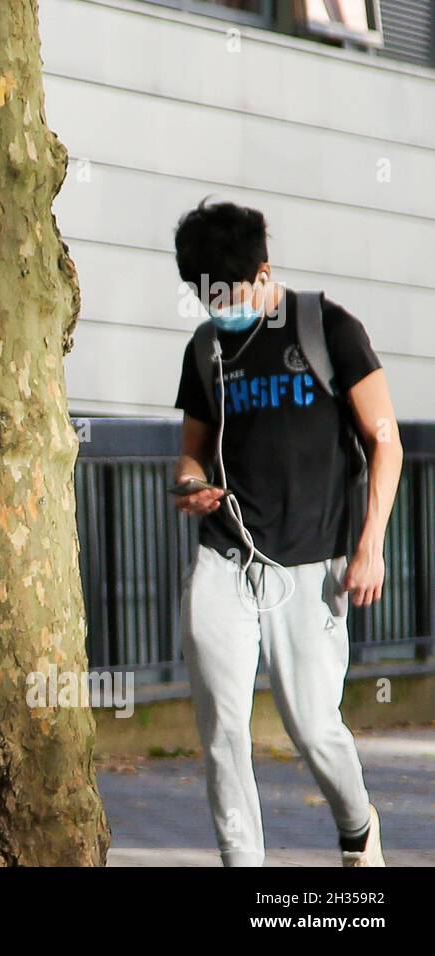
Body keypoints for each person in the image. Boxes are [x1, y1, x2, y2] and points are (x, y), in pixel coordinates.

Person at [170, 199, 402, 867]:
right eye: (203, 295)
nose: (218, 306)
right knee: (223, 730)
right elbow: (191, 451)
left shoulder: (327, 328)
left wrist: (371, 545)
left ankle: (358, 828)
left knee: (312, 727)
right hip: (226, 554)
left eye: (229, 291)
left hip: (313, 561)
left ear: (264, 271)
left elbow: (383, 442)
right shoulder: (206, 347)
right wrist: (190, 485)